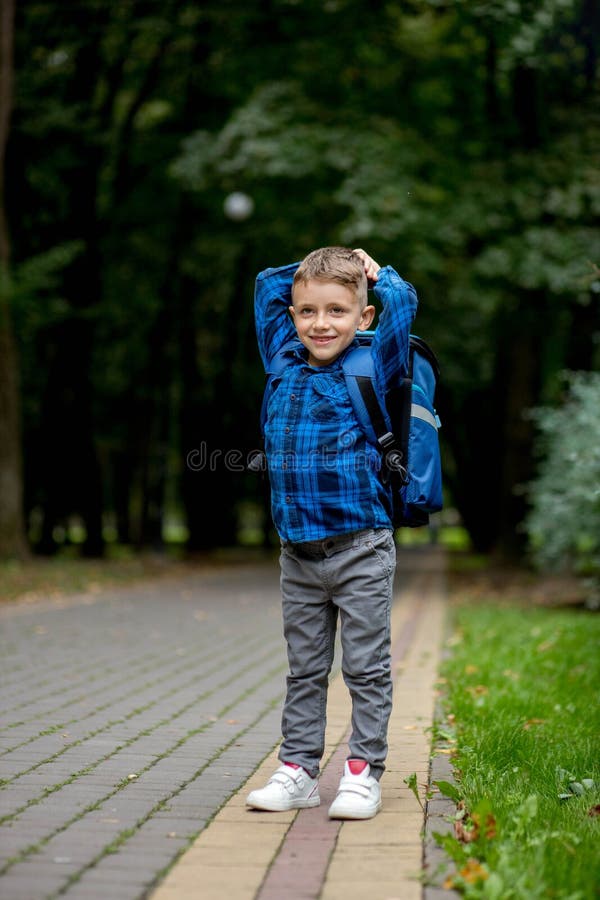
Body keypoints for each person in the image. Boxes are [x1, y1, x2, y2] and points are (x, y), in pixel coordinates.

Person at [246, 246, 418, 819]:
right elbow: (265, 285)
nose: (320, 323)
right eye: (307, 311)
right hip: (297, 552)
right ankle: (297, 769)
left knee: (365, 667)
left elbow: (403, 302)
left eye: (337, 311)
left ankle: (362, 772)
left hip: (361, 547)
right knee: (305, 668)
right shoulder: (284, 361)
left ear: (362, 318)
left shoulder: (376, 363)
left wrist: (374, 272)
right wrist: (311, 264)